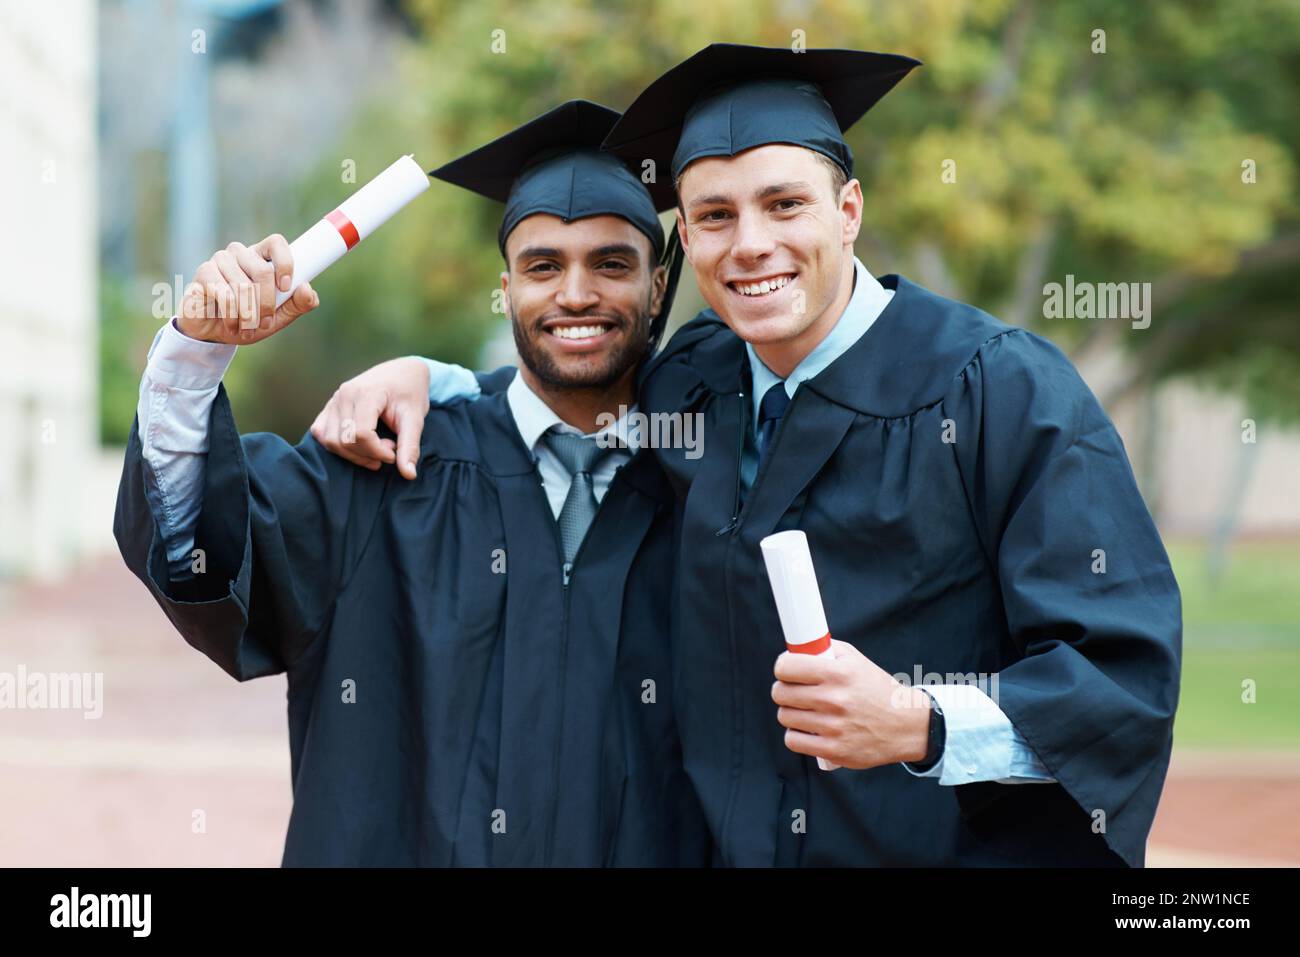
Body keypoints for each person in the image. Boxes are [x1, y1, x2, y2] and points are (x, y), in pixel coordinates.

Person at [313, 45, 1182, 867]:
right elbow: (573, 377)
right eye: (716, 216)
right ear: (685, 243)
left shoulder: (998, 389)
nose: (751, 243)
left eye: (785, 204)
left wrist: (920, 722)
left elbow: (1122, 681)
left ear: (848, 212)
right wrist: (428, 374)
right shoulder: (695, 383)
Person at [113, 99, 709, 866]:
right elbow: (202, 549)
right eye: (543, 266)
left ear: (659, 289)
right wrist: (192, 355)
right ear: (507, 288)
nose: (575, 294)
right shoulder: (384, 467)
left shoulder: (708, 484)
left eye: (612, 263)